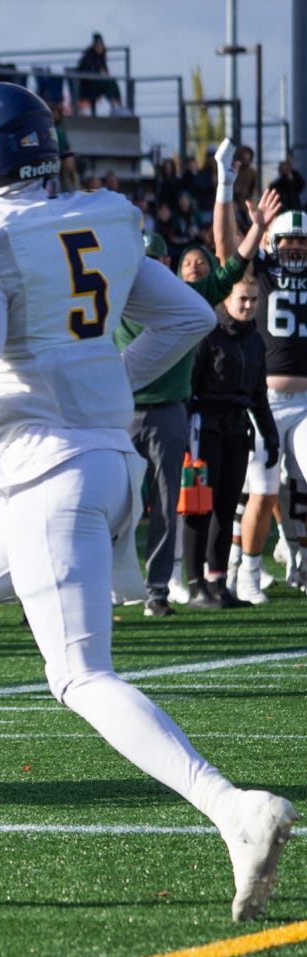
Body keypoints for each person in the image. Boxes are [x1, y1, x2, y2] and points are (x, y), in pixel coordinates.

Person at [0, 82, 296, 923]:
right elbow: (187, 321)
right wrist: (100, 389)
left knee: (81, 675)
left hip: (52, 471)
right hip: (97, 462)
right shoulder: (106, 213)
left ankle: (232, 808)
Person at [114, 150, 278, 616]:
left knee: (171, 504)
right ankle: (105, 586)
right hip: (117, 409)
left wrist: (257, 231)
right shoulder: (104, 295)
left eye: (155, 261)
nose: (149, 268)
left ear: (162, 263)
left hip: (169, 408)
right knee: (112, 505)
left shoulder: (182, 297)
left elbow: (227, 272)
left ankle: (158, 590)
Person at [182, 274, 277, 609]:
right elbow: (188, 387)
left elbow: (259, 395)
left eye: (253, 299)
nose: (249, 305)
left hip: (237, 429)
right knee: (199, 506)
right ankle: (196, 586)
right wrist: (186, 436)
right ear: (226, 300)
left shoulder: (255, 341)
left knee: (226, 508)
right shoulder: (209, 335)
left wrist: (271, 435)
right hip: (203, 428)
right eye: (243, 299)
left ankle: (219, 582)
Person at [255, 209, 307, 592]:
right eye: (288, 239)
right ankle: (271, 559)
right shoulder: (262, 274)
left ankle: (300, 558)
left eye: (302, 240)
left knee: (301, 481)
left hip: (305, 400)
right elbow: (228, 250)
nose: (295, 247)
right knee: (269, 485)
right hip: (267, 400)